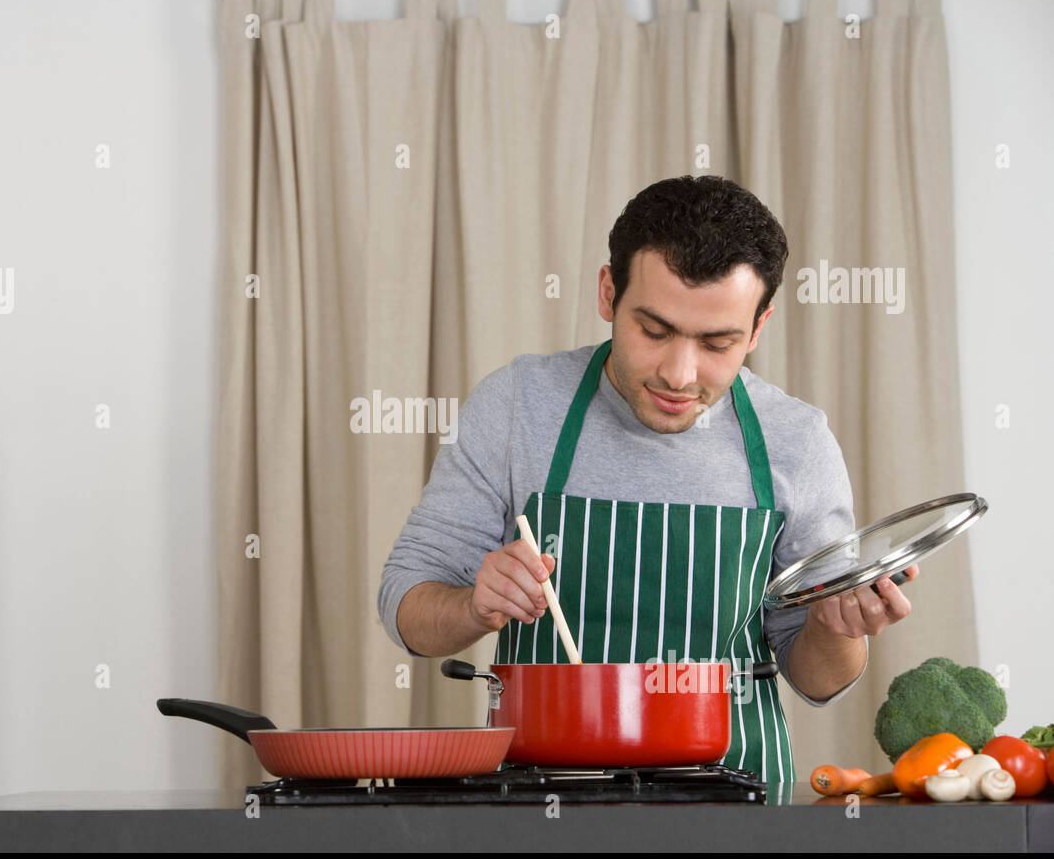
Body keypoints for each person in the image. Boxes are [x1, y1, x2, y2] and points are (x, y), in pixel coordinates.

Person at [376, 175, 919, 783]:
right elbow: (406, 607)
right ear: (608, 293)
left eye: (718, 343)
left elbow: (820, 680)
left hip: (733, 807)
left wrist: (834, 626)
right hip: (541, 807)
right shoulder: (518, 405)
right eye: (654, 331)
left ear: (758, 328)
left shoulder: (797, 441)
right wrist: (474, 605)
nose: (680, 374)